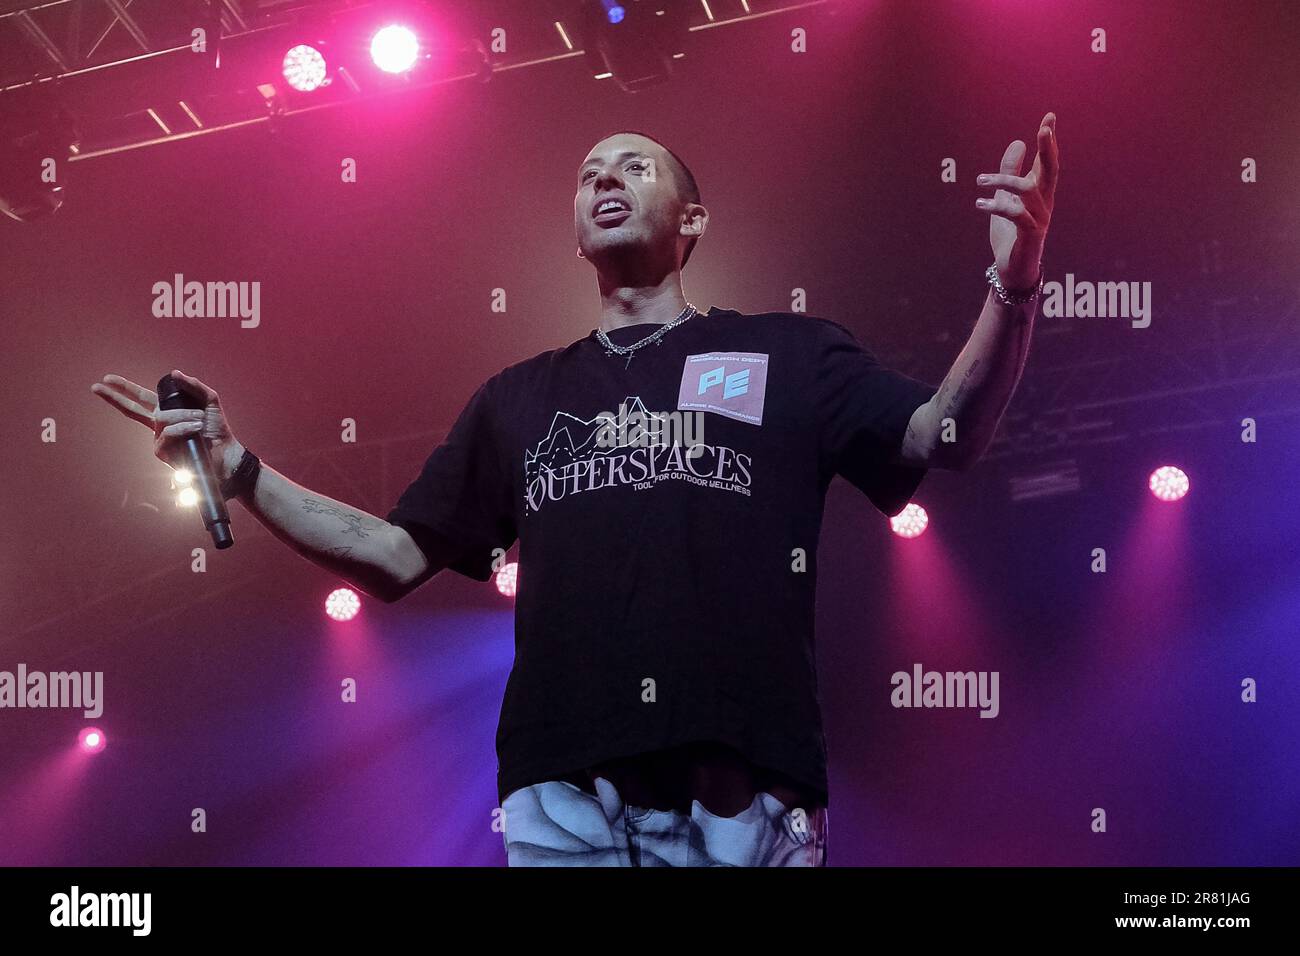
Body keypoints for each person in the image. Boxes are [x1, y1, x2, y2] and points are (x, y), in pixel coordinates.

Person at [92, 119, 1059, 866]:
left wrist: (1014, 283)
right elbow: (392, 558)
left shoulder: (789, 354)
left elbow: (947, 433)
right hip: (562, 786)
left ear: (693, 221)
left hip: (746, 776)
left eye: (633, 168)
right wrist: (245, 470)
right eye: (589, 173)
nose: (603, 180)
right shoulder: (519, 397)